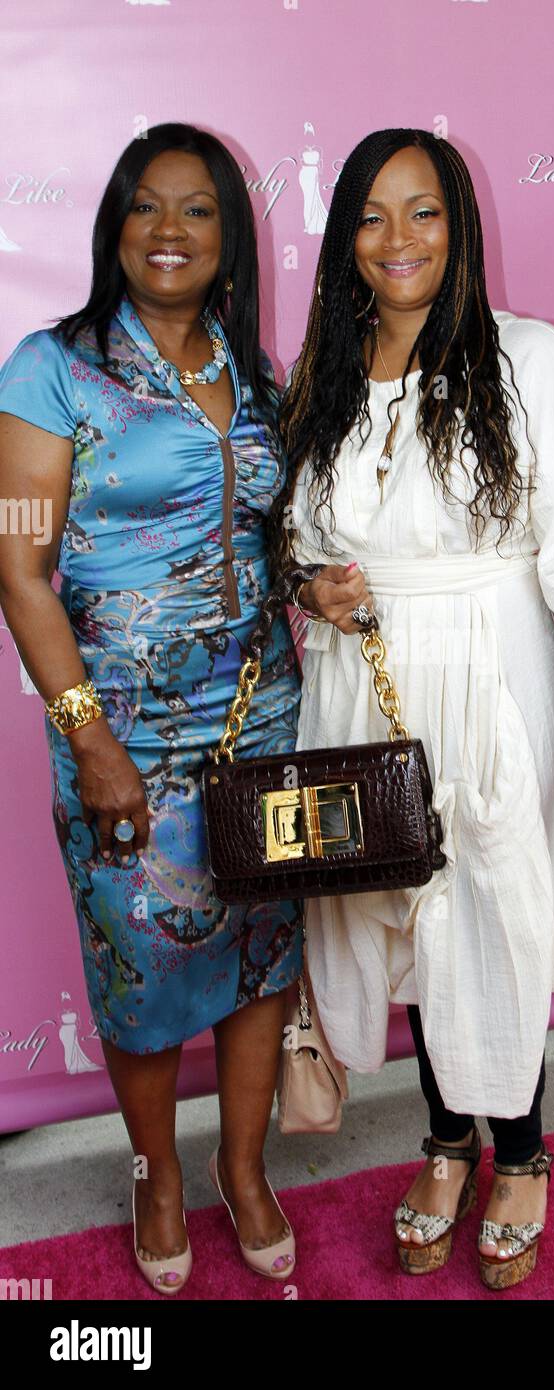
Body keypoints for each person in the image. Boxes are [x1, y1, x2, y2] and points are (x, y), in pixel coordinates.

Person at [270, 127, 554, 1290]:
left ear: (462, 226)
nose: (400, 240)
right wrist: (313, 588)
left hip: (491, 683)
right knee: (404, 923)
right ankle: (446, 1143)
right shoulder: (321, 385)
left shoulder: (528, 359)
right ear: (344, 240)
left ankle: (521, 1157)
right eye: (374, 217)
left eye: (424, 212)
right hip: (362, 696)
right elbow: (290, 539)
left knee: (493, 912)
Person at [0, 124, 305, 1295]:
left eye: (197, 211)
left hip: (260, 712)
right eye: (146, 208)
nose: (169, 231)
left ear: (229, 237)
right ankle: (157, 1180)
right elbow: (21, 570)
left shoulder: (256, 369)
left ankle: (244, 1168)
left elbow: (259, 539)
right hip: (119, 727)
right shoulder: (54, 366)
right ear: (114, 229)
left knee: (262, 955)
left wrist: (309, 584)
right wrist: (89, 737)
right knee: (140, 975)